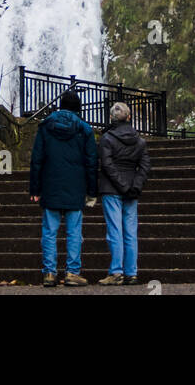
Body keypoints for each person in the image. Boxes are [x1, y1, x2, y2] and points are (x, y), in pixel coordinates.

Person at [29, 89, 98, 286]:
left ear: (60, 105)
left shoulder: (45, 126)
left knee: (49, 231)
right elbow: (92, 162)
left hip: (50, 185)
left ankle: (49, 273)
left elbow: (36, 159)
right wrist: (92, 191)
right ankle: (72, 273)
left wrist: (35, 189)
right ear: (78, 107)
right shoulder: (85, 129)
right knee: (74, 231)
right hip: (76, 186)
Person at [97, 102, 152, 286]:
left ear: (112, 118)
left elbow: (107, 165)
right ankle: (131, 272)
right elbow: (144, 167)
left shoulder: (107, 139)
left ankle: (116, 272)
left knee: (115, 231)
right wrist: (134, 186)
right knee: (130, 232)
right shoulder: (140, 141)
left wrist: (121, 185)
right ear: (129, 117)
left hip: (111, 189)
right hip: (131, 190)